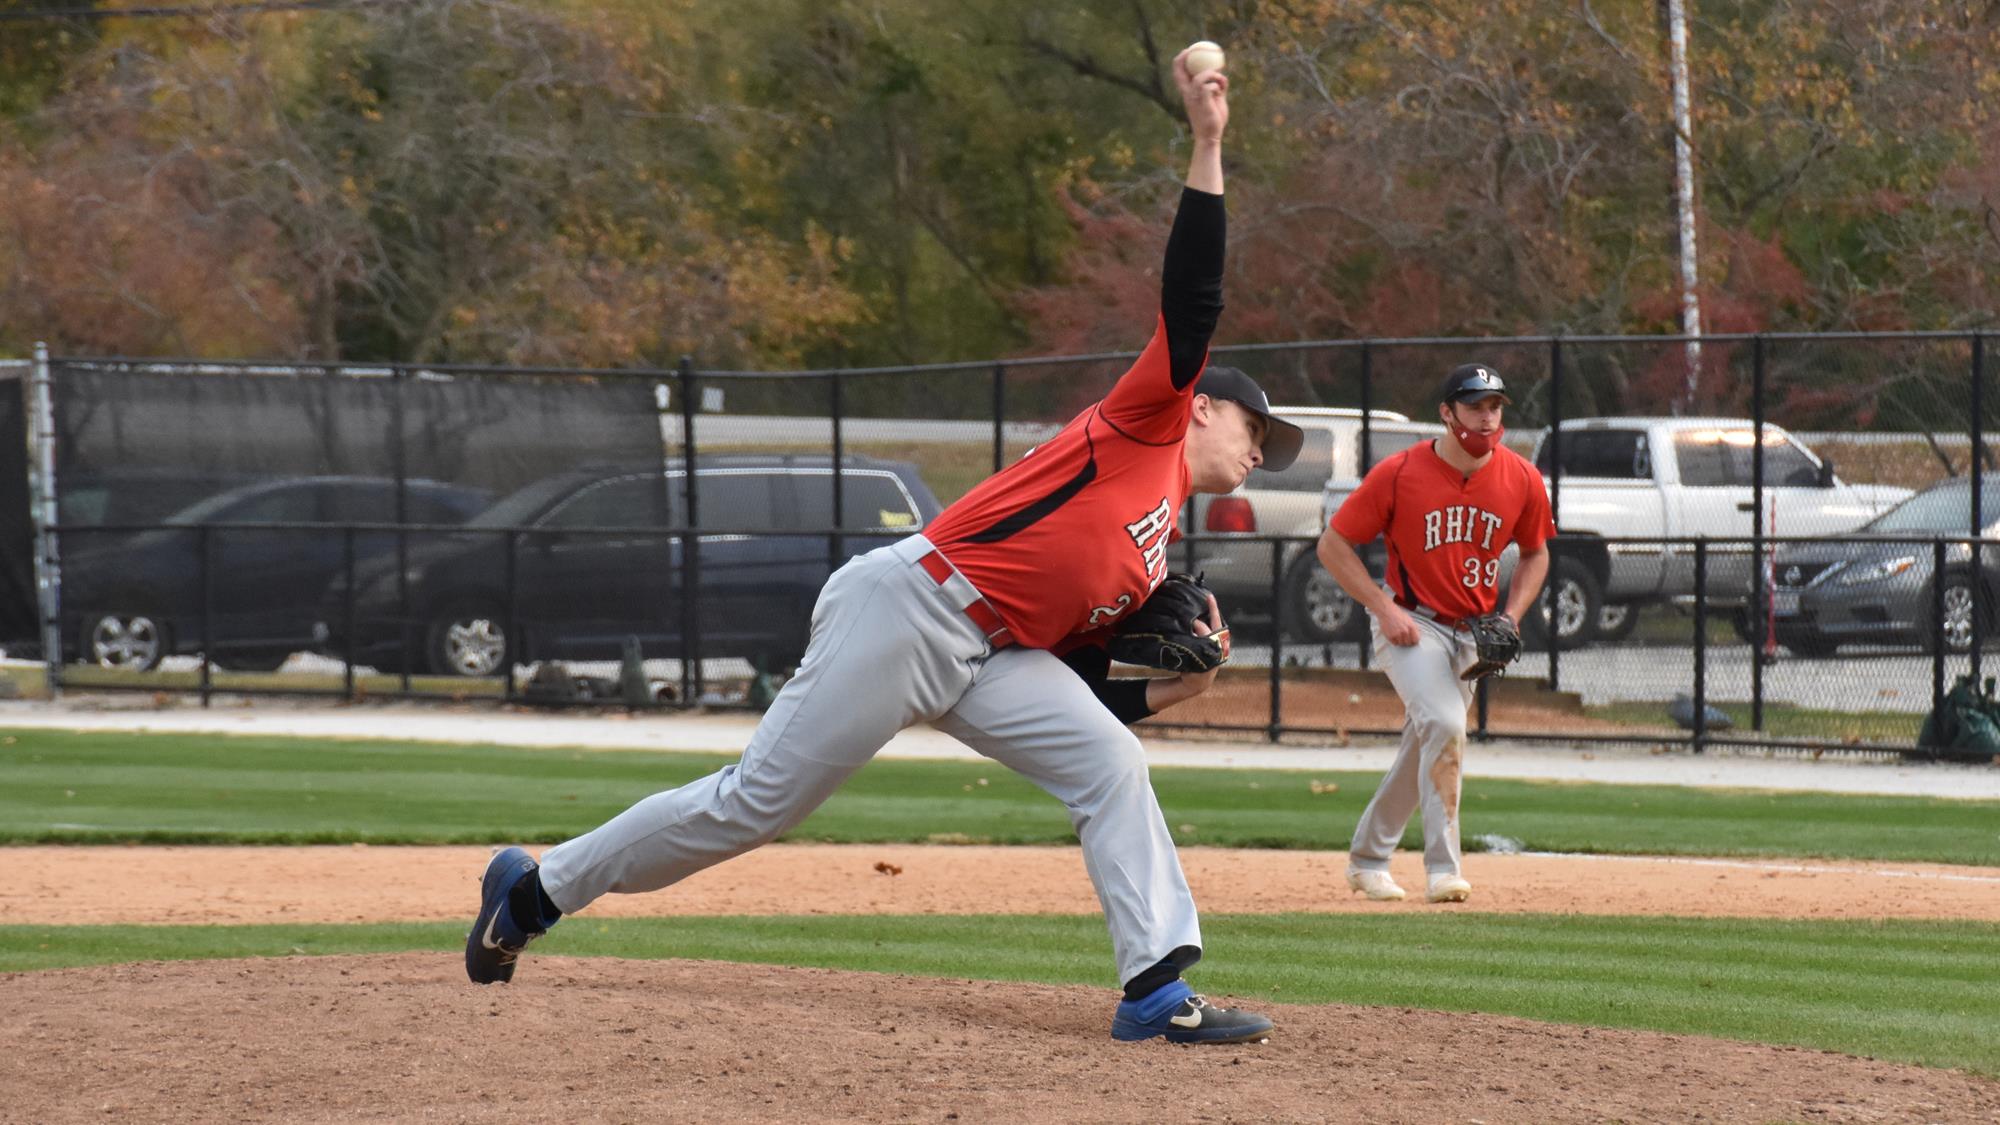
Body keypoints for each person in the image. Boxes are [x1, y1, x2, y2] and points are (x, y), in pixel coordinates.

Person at [466, 46, 1306, 1046]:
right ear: (1202, 406)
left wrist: (1170, 691)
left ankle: (1155, 993)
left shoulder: (1149, 553)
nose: (1262, 451)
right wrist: (1207, 146)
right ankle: (534, 892)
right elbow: (1193, 298)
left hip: (985, 655)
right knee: (753, 806)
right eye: (1256, 431)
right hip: (910, 606)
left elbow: (1075, 689)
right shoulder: (1149, 422)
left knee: (1108, 762)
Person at [1313, 364, 1553, 904]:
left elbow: (1537, 552)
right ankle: (1443, 869)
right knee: (1446, 724)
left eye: (1494, 406)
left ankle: (1368, 858)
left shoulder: (1521, 477)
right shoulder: (1399, 473)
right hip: (1410, 623)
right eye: (1474, 406)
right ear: (1447, 414)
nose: (1487, 417)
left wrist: (1512, 616)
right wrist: (1382, 607)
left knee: (1426, 743)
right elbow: (1333, 544)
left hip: (1473, 634)